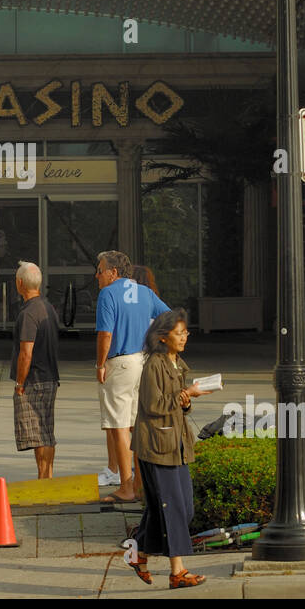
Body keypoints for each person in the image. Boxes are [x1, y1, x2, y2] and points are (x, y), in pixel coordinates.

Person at [126, 308, 211, 589]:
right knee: (172, 508)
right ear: (163, 337)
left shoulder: (176, 363)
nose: (184, 337)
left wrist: (187, 401)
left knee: (180, 509)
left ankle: (138, 551)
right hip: (157, 446)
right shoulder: (155, 364)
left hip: (177, 445)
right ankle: (178, 572)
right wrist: (186, 394)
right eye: (179, 333)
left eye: (186, 332)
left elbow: (175, 405)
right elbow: (153, 406)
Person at [95, 249, 169, 503]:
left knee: (119, 426)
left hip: (121, 362)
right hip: (144, 360)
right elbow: (170, 318)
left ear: (113, 272)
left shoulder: (107, 293)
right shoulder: (144, 292)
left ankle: (126, 486)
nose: (97, 275)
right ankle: (138, 484)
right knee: (138, 425)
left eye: (100, 270)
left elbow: (105, 334)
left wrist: (99, 364)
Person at [10, 260, 59, 478]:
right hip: (49, 376)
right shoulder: (47, 307)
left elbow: (25, 352)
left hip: (35, 379)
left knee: (39, 433)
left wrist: (20, 383)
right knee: (47, 430)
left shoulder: (28, 313)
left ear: (20, 283)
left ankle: (43, 478)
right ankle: (48, 476)